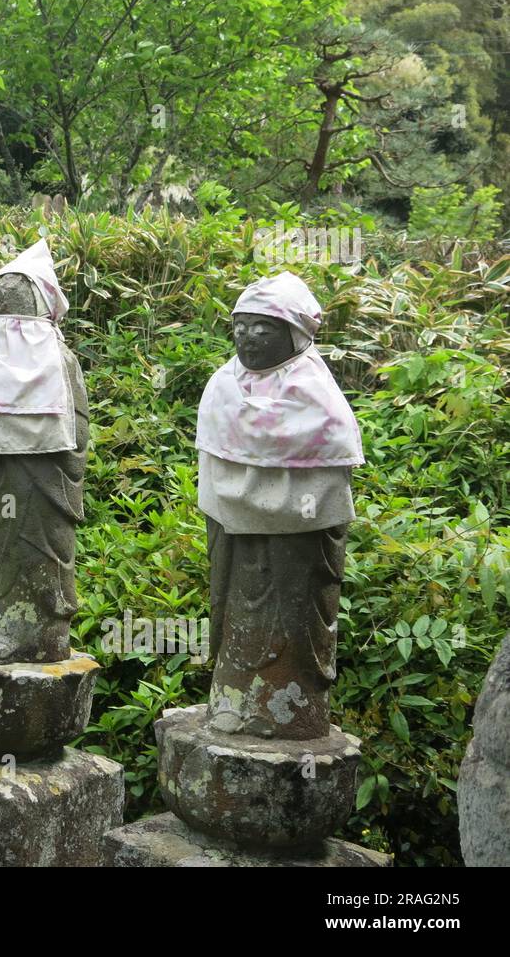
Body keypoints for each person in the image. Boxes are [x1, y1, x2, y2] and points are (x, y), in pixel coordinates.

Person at [195, 271, 364, 739]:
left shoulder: (316, 397)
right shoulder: (224, 385)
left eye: (263, 328)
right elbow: (213, 469)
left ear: (294, 334)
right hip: (235, 539)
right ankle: (232, 698)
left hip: (296, 546)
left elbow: (328, 496)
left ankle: (290, 706)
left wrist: (292, 513)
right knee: (239, 612)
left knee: (292, 609)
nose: (248, 338)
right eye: (240, 326)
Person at [0, 239, 88, 663]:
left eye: (16, 292)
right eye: (2, 291)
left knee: (35, 555)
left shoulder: (59, 359)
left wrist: (59, 462)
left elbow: (78, 429)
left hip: (40, 493)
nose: (6, 298)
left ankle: (39, 635)